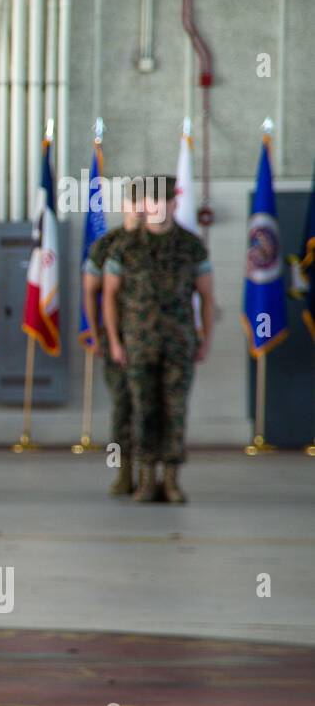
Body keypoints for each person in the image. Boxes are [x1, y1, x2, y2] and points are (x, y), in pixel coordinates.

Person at [103, 176, 214, 503]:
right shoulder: (125, 246)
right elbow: (109, 296)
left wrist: (205, 338)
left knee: (176, 411)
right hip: (138, 344)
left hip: (179, 345)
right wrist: (114, 340)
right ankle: (146, 477)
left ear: (174, 204)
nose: (158, 207)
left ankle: (172, 479)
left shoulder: (191, 245)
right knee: (143, 410)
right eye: (153, 201)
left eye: (165, 201)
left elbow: (207, 296)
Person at [81, 190, 141, 494]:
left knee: (152, 409)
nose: (140, 209)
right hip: (117, 341)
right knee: (122, 408)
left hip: (152, 341)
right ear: (124, 206)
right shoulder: (107, 245)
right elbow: (90, 291)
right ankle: (123, 471)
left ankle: (150, 471)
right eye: (134, 203)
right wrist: (95, 332)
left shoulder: (159, 241)